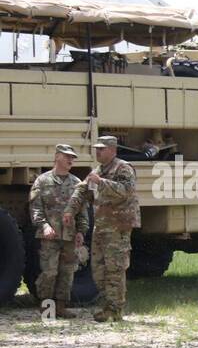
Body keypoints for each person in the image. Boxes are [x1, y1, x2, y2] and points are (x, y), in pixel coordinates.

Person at [73, 135, 139, 322]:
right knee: (98, 268)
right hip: (101, 226)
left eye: (101, 149)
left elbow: (126, 190)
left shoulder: (123, 168)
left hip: (118, 226)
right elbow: (84, 190)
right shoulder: (98, 170)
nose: (97, 151)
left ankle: (115, 310)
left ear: (112, 150)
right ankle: (106, 306)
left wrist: (101, 182)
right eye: (96, 148)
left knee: (115, 268)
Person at [29, 144, 87, 318]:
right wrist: (44, 226)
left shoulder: (77, 183)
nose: (71, 160)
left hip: (69, 235)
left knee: (67, 272)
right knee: (49, 271)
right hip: (50, 235)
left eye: (72, 157)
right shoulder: (42, 181)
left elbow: (82, 211)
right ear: (57, 157)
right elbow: (35, 208)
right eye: (67, 156)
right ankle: (47, 307)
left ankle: (60, 307)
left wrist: (81, 231)